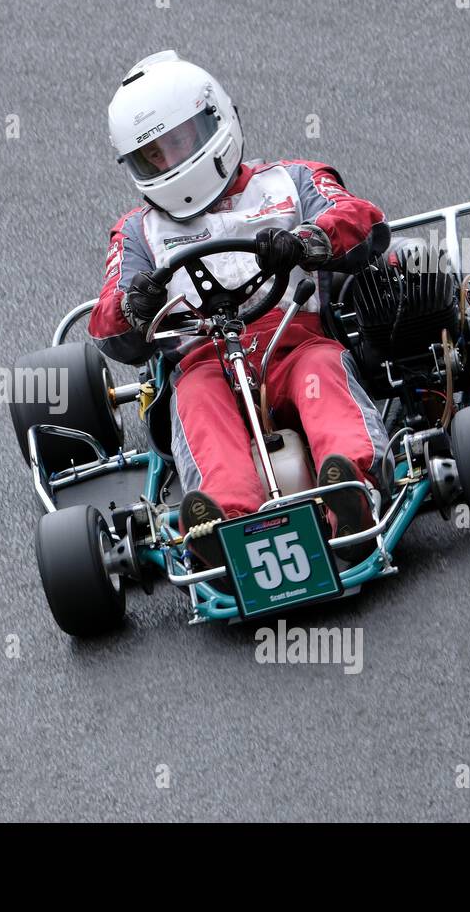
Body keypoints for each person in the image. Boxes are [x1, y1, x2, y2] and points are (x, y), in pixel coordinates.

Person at [88, 50, 391, 570]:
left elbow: (361, 217)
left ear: (214, 119)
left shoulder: (290, 181)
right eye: (151, 157)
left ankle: (353, 489)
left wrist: (308, 241)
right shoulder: (139, 231)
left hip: (293, 339)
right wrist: (136, 305)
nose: (166, 163)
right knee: (196, 402)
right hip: (203, 359)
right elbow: (106, 321)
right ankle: (222, 524)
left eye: (175, 143)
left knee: (321, 372)